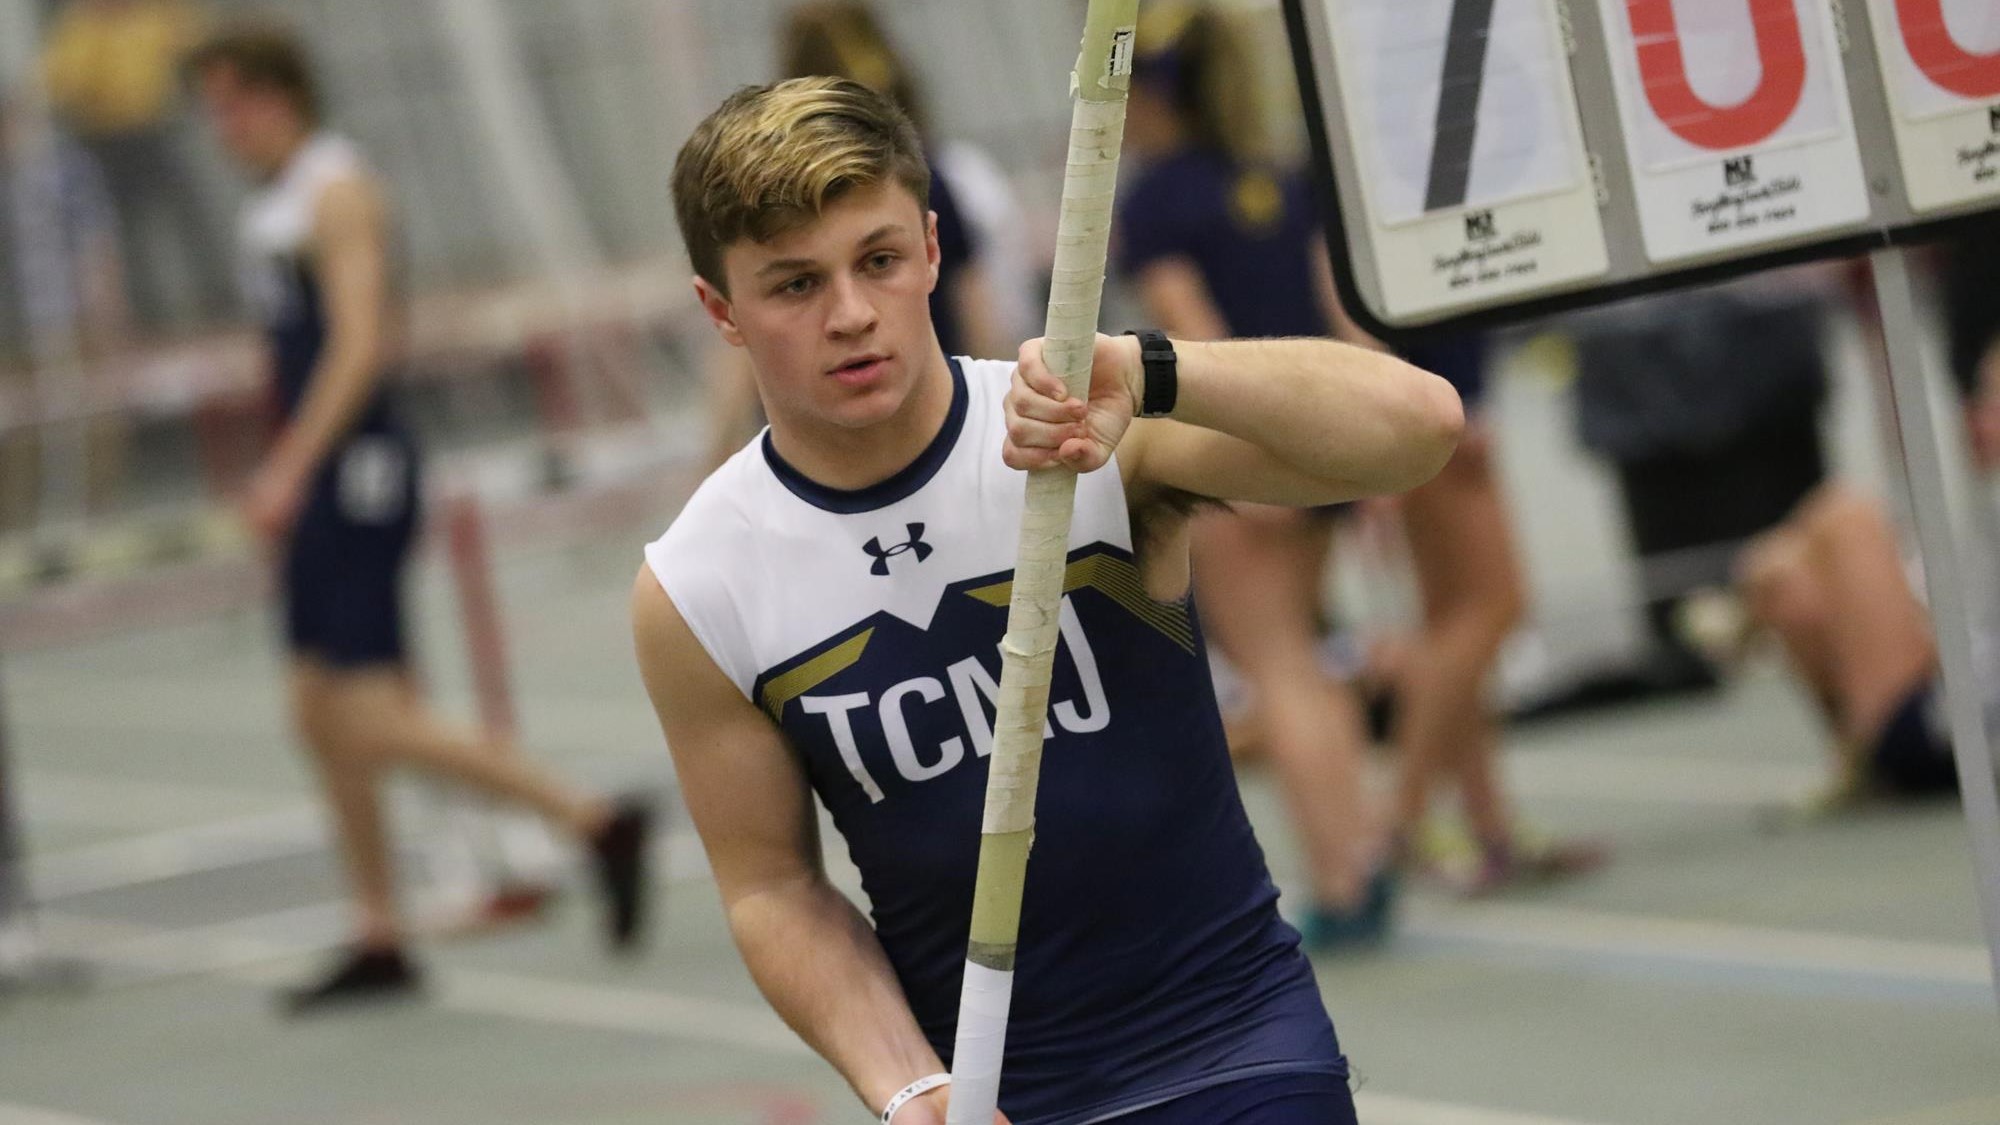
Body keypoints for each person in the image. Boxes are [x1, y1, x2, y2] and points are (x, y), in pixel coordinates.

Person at [634, 76, 1462, 1125]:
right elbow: (772, 890)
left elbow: (1419, 426)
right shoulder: (699, 584)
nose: (850, 315)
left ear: (932, 251)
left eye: (877, 262)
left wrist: (1155, 372)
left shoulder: (1084, 434)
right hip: (1001, 1100)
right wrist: (905, 1084)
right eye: (794, 286)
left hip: (1238, 1052)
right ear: (721, 311)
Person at [187, 24, 652, 1015]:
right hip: (321, 476)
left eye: (231, 104)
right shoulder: (274, 207)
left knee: (366, 713)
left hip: (354, 473)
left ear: (278, 95)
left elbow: (359, 346)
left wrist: (290, 467)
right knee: (318, 713)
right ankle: (378, 931)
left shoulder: (336, 189)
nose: (220, 128)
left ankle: (592, 818)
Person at [1116, 2, 1391, 945]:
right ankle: (1364, 853)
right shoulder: (1278, 175)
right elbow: (1340, 312)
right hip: (1318, 440)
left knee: (1276, 670)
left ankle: (1342, 877)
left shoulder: (1157, 200)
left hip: (1240, 451)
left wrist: (1251, 455)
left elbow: (1199, 339)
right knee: (1309, 661)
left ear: (1157, 95)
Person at [1738, 482, 1959, 806]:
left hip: (1928, 728)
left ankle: (1738, 625)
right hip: (1934, 727)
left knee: (1836, 521)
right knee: (1786, 562)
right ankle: (1738, 624)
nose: (1973, 429)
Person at [42, 0, 234, 328]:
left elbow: (196, 48)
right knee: (130, 229)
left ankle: (218, 296)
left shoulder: (157, 12)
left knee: (190, 216)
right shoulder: (81, 25)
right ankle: (150, 312)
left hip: (159, 128)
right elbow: (63, 83)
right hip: (109, 137)